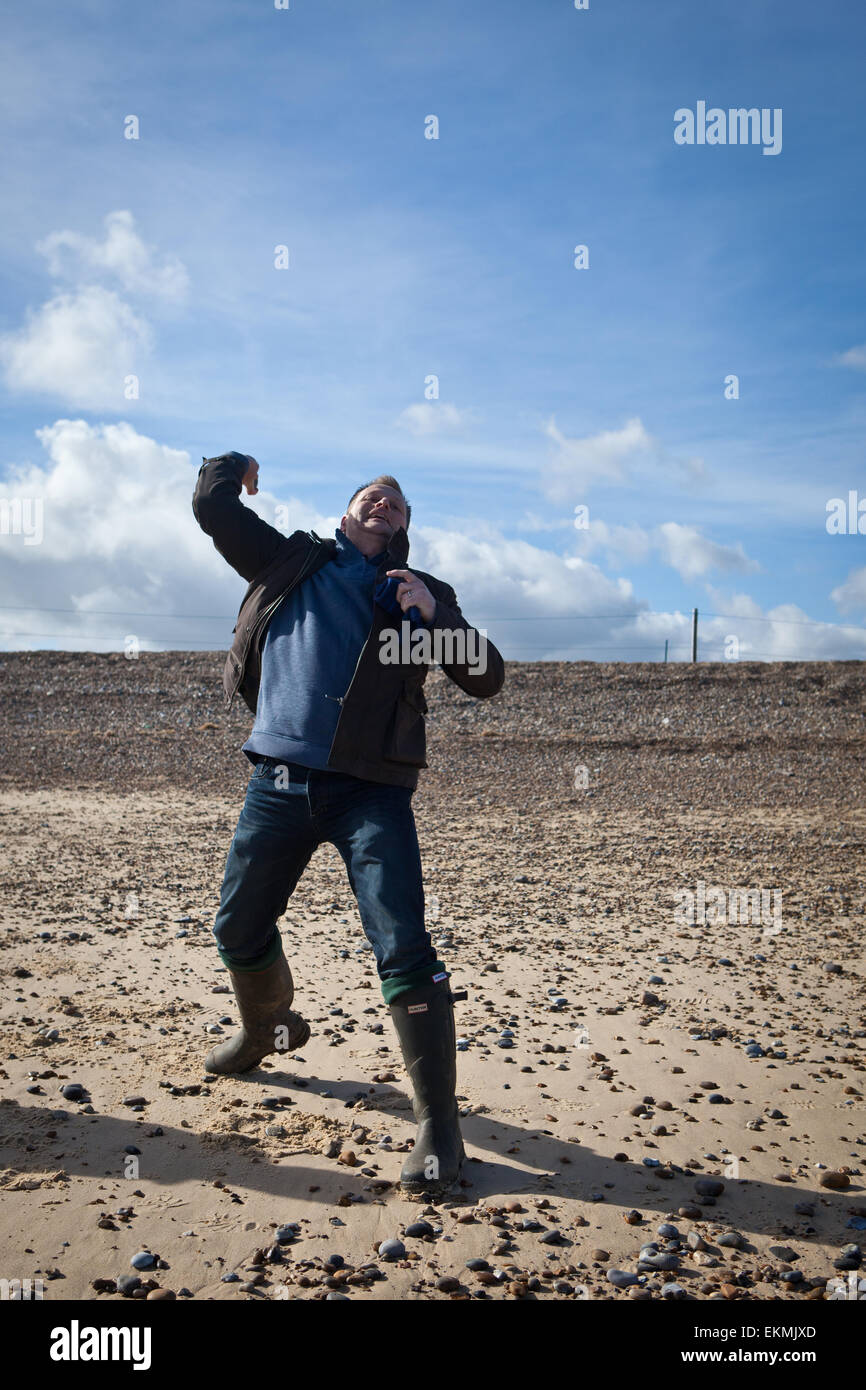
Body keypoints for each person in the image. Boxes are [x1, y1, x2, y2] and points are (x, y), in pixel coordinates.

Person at [191, 451, 505, 1197]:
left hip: (374, 792)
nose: (383, 504)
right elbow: (211, 505)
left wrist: (434, 617)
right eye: (372, 495)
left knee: (402, 944)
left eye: (396, 504)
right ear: (346, 512)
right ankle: (265, 1029)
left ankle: (439, 1128)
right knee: (237, 928)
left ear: (404, 529)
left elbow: (487, 676)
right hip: (278, 779)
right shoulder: (289, 559)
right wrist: (237, 467)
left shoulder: (422, 593)